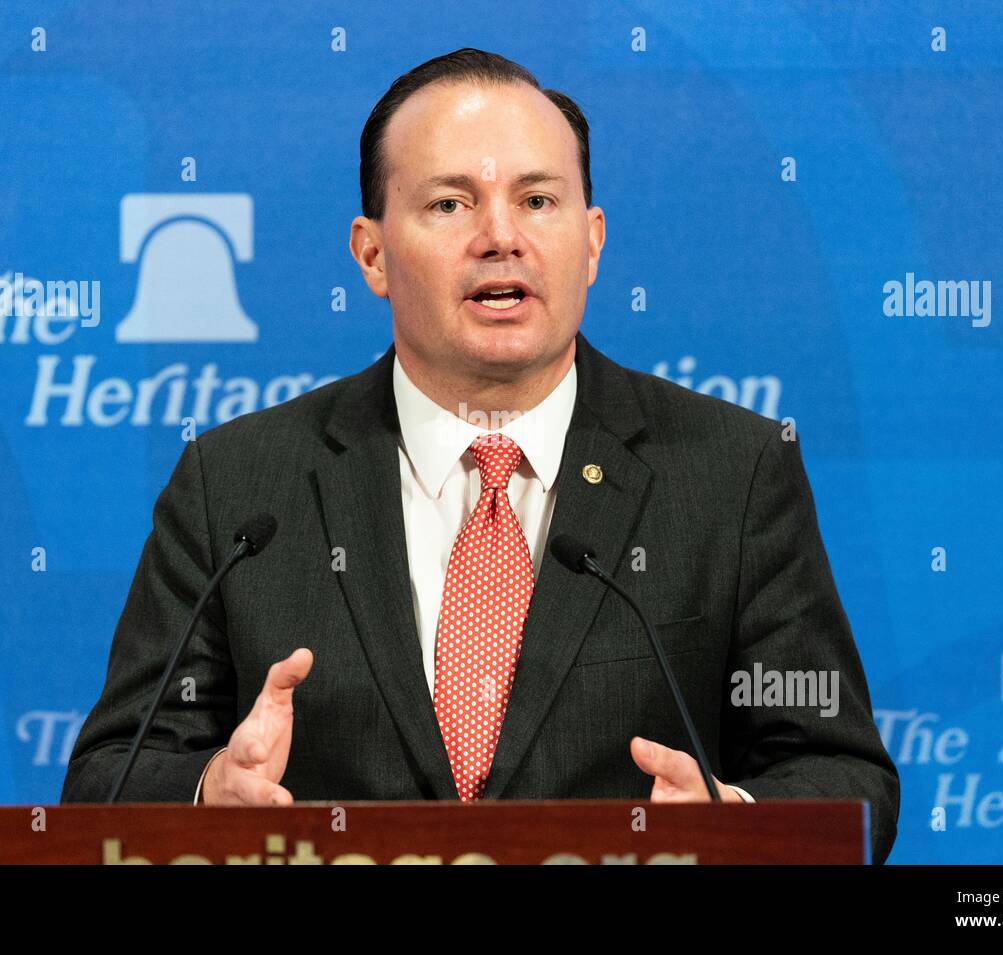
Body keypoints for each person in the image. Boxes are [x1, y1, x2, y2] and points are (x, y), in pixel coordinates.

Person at [62, 48, 899, 864]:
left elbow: (847, 776)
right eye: (450, 205)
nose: (501, 236)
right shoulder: (238, 486)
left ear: (593, 238)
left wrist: (733, 823)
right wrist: (212, 791)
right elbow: (104, 779)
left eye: (538, 199)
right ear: (372, 253)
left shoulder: (730, 472)